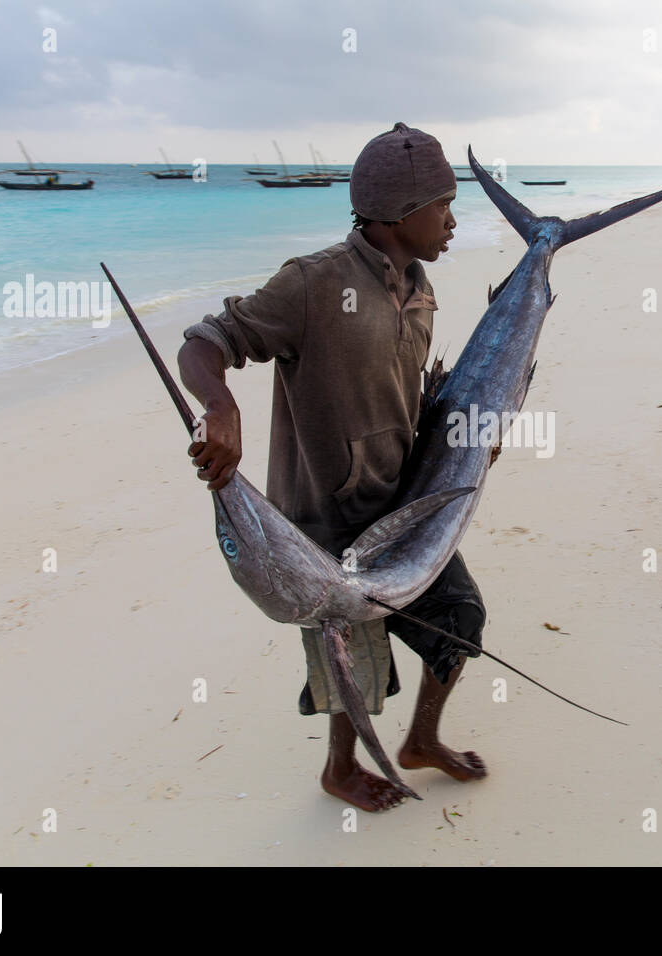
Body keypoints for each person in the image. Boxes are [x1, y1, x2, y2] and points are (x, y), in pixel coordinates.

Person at [177, 123, 488, 811]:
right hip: (323, 528)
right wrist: (219, 401)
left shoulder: (421, 289)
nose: (453, 220)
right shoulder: (312, 284)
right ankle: (340, 769)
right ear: (401, 212)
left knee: (462, 620)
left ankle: (420, 742)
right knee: (354, 669)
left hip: (404, 507)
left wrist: (466, 440)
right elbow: (208, 340)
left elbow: (412, 402)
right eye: (444, 204)